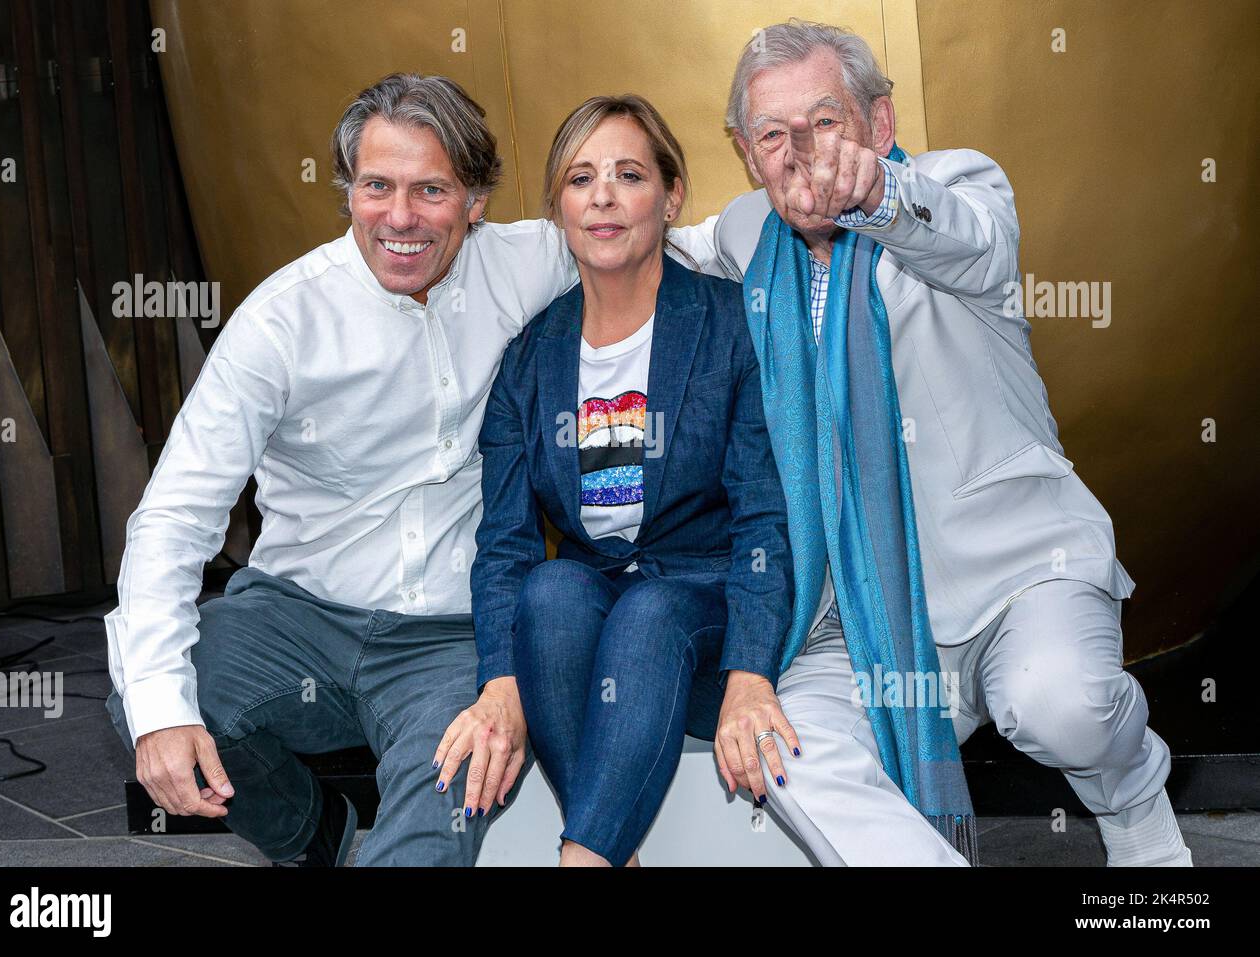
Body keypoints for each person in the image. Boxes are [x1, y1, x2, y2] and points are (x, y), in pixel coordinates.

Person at [102, 74, 733, 866]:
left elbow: (666, 240)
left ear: (475, 201)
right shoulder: (281, 321)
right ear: (348, 193)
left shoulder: (528, 261)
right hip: (296, 615)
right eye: (377, 187)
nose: (399, 217)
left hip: (447, 637)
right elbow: (176, 514)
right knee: (150, 690)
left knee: (445, 802)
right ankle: (311, 830)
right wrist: (162, 710)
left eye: (431, 189)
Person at [701, 19, 1191, 867]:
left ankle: (1135, 793)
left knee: (1059, 704)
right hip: (858, 616)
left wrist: (878, 198)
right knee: (781, 748)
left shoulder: (951, 186)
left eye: (826, 121)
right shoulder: (748, 236)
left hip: (1016, 572)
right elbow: (633, 252)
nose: (803, 153)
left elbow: (974, 241)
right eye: (773, 135)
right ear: (747, 153)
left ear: (879, 124)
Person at [454, 95, 795, 867]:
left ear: (670, 197)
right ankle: (614, 854)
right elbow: (505, 544)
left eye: (628, 174)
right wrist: (498, 680)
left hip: (704, 608)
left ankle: (582, 858)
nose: (602, 195)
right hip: (594, 619)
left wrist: (751, 671)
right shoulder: (529, 358)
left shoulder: (729, 324)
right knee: (549, 591)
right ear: (559, 209)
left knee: (648, 611)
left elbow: (764, 519)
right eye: (580, 178)